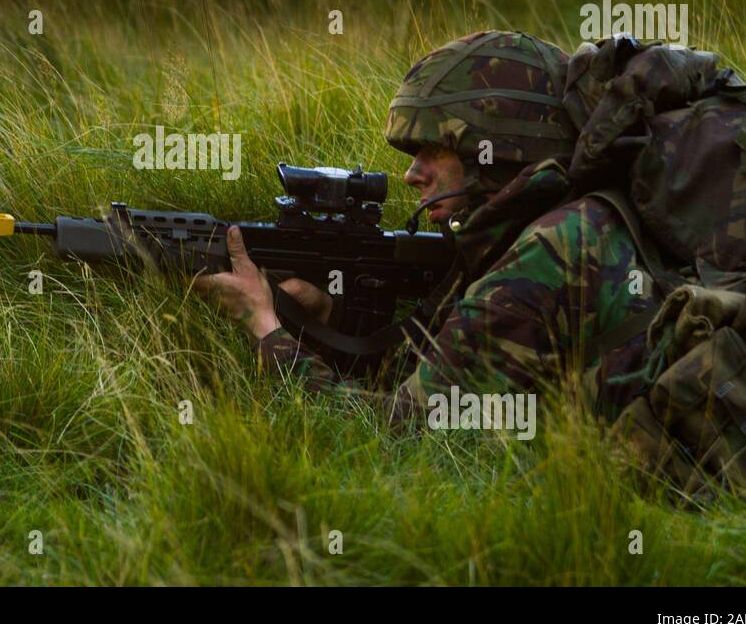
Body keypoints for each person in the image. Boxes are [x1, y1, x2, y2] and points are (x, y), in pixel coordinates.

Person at [192, 30, 659, 426]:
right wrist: (328, 317)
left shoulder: (547, 253)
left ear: (492, 152)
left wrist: (265, 327)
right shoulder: (548, 224)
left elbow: (398, 431)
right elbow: (434, 364)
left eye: (434, 150)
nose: (412, 175)